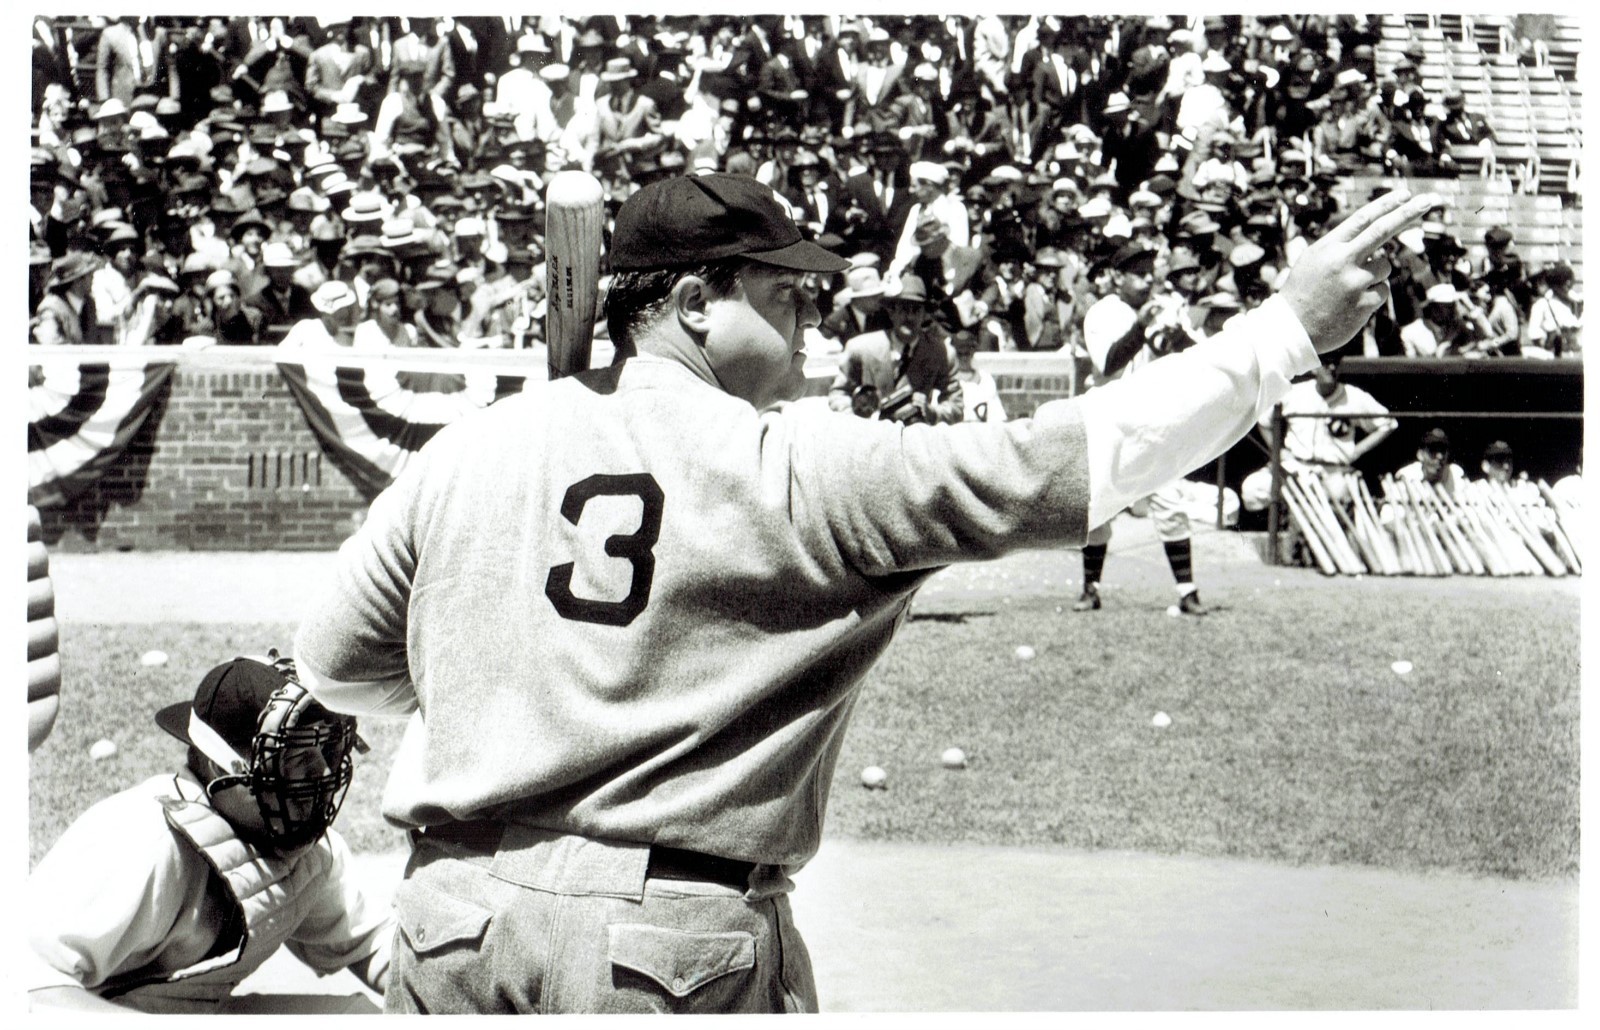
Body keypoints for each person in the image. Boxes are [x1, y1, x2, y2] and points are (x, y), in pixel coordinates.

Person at [290, 174, 1437, 1014]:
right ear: (694, 300)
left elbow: (336, 662)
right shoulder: (807, 466)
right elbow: (1075, 457)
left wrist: (512, 667)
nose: (811, 313)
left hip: (449, 924)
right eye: (783, 291)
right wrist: (1284, 331)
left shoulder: (472, 448)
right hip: (661, 948)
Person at [27, 653, 391, 1013]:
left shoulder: (306, 852)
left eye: (327, 749)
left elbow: (373, 945)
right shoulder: (145, 840)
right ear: (223, 765)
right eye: (297, 758)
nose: (323, 772)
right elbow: (25, 987)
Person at [1073, 243, 1207, 615]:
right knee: (1097, 507)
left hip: (1154, 420)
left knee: (1171, 503)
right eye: (1138, 272)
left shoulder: (1165, 306)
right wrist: (1143, 327)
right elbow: (1108, 364)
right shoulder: (1103, 311)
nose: (1147, 278)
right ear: (1117, 276)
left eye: (1150, 271)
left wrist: (1176, 336)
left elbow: (1193, 355)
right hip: (1111, 422)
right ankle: (1090, 588)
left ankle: (1188, 590)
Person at [1242, 361, 1397, 512]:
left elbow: (1388, 423)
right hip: (1295, 467)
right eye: (1326, 363)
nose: (1331, 368)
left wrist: (1358, 450)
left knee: (1341, 496)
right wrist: (1278, 450)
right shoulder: (1295, 392)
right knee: (1253, 487)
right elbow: (1263, 420)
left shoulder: (1353, 396)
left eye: (1334, 363)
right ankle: (1283, 522)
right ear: (1314, 368)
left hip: (1332, 472)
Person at [827, 272, 964, 424]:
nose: (910, 318)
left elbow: (956, 407)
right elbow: (838, 395)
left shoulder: (941, 353)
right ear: (891, 312)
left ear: (925, 315)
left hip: (916, 437)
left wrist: (930, 412)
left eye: (916, 310)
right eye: (904, 309)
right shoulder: (861, 348)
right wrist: (859, 420)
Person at [1395, 426, 1467, 499]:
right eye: (1433, 450)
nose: (1439, 456)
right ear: (1420, 454)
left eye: (1443, 450)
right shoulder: (1408, 477)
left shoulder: (1456, 476)